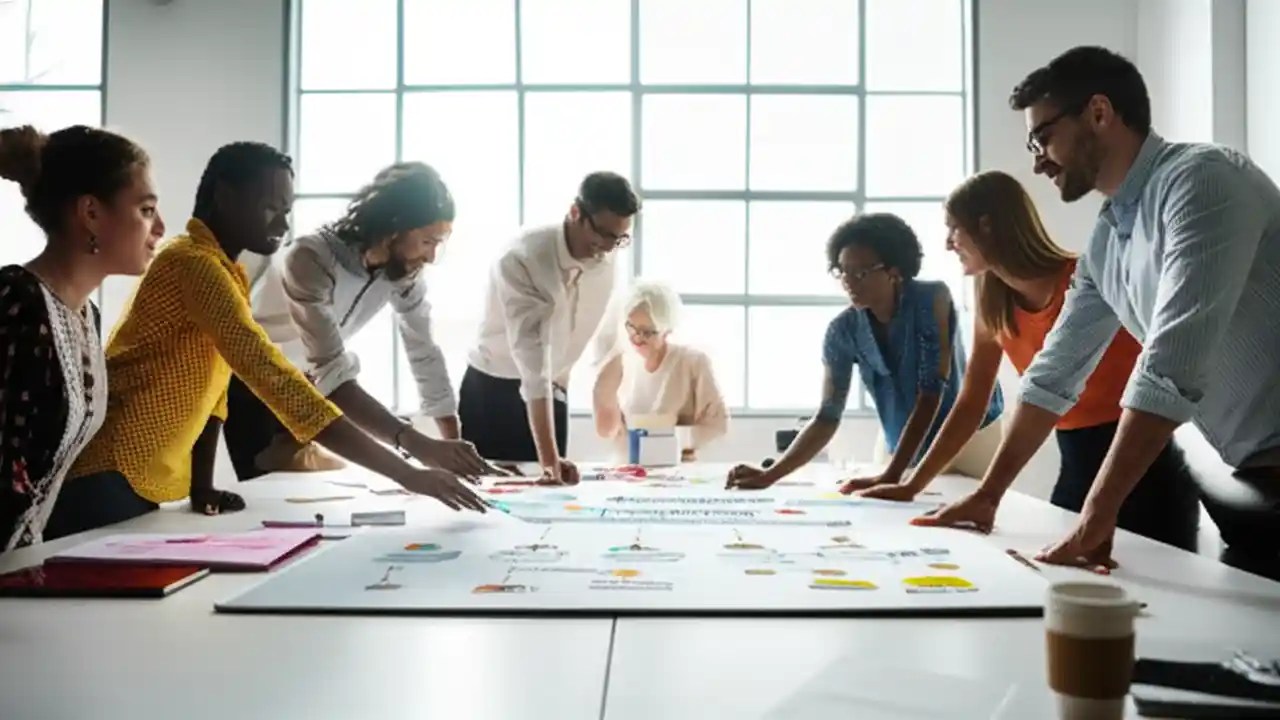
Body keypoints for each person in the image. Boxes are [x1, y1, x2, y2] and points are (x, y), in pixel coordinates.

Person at [917, 46, 1280, 579]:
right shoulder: (1109, 237)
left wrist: (1095, 516)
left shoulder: (1202, 180)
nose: (1037, 158)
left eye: (1043, 136)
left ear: (1099, 113)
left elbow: (1169, 367)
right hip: (1250, 475)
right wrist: (986, 497)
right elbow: (1052, 374)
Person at [46, 142, 487, 539]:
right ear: (225, 196)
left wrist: (202, 486)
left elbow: (217, 389)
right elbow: (271, 376)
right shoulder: (193, 263)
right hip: (109, 467)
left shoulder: (227, 272)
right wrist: (407, 472)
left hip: (139, 475)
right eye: (270, 207)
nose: (283, 221)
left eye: (287, 208)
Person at [857, 170, 1199, 551]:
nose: (947, 243)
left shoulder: (1087, 279)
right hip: (1074, 472)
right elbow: (971, 403)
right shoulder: (992, 302)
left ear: (986, 225)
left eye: (954, 229)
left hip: (1146, 474)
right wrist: (911, 484)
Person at [228, 161, 492, 479]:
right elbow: (334, 374)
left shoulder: (401, 271)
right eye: (427, 241)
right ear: (395, 226)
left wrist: (452, 444)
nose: (432, 256)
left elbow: (424, 353)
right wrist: (415, 445)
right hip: (247, 391)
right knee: (264, 507)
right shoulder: (310, 258)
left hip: (307, 391)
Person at [725, 213, 1004, 492]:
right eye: (841, 271)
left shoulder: (932, 299)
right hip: (903, 439)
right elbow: (827, 416)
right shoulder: (842, 330)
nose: (848, 281)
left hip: (968, 436)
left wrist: (892, 475)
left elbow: (931, 393)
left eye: (860, 273)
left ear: (894, 273)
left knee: (955, 509)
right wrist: (770, 475)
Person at [0, 125, 163, 551]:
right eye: (146, 209)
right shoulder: (15, 303)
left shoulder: (84, 315)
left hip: (22, 564)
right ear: (90, 213)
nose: (160, 227)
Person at [460, 171, 640, 484]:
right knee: (494, 500)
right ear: (575, 213)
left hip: (552, 391)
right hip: (495, 391)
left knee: (552, 500)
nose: (610, 247)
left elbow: (591, 335)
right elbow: (532, 363)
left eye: (620, 238)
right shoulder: (523, 259)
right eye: (604, 234)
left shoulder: (607, 256)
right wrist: (547, 463)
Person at [592, 279, 729, 462]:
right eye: (631, 327)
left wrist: (670, 441)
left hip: (675, 470)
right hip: (629, 470)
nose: (637, 338)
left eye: (648, 332)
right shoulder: (622, 363)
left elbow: (718, 425)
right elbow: (607, 431)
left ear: (667, 330)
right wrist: (602, 391)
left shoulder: (693, 362)